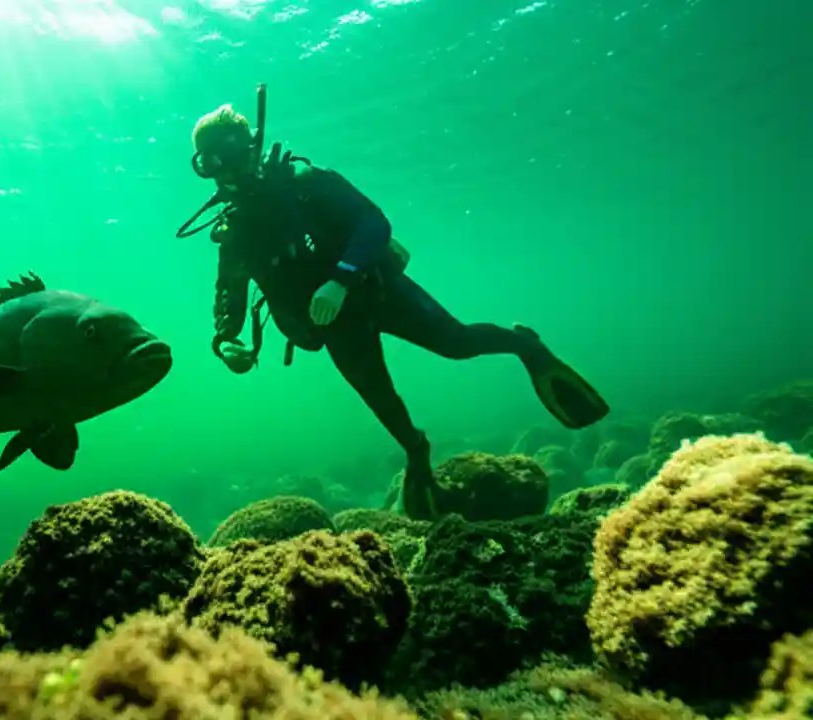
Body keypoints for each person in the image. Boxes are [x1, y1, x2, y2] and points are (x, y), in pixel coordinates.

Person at [176, 86, 610, 519]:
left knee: (457, 343)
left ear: (251, 145)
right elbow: (229, 292)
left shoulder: (307, 183)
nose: (223, 170)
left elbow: (374, 222)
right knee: (382, 400)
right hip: (334, 326)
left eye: (227, 154)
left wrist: (340, 280)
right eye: (209, 163)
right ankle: (418, 453)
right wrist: (226, 341)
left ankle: (525, 345)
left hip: (378, 289)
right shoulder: (236, 230)